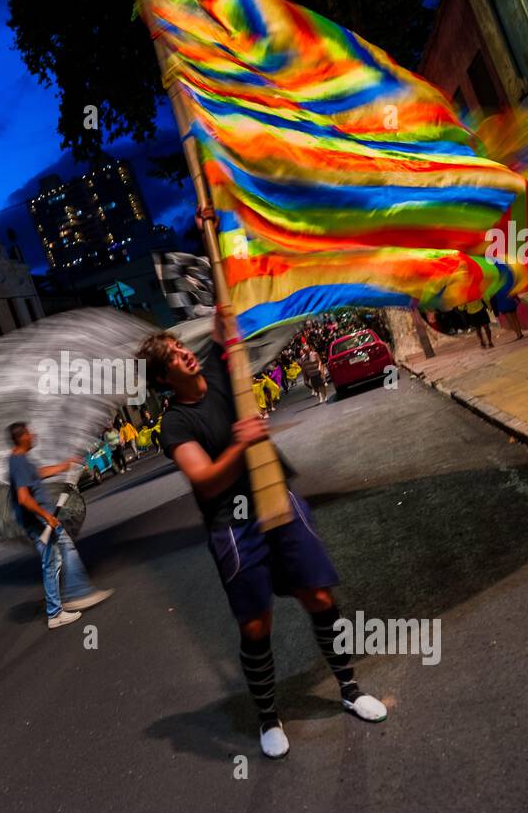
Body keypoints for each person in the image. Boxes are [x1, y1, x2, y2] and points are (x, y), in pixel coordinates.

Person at [137, 308, 386, 760]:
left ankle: (350, 689)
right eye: (172, 357)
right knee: (255, 625)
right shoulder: (174, 424)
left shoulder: (215, 369)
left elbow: (222, 319)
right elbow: (207, 479)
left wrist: (211, 237)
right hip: (232, 525)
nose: (183, 355)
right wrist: (242, 441)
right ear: (163, 380)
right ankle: (269, 717)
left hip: (276, 496)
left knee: (321, 599)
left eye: (179, 347)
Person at [7, 421, 113, 629]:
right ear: (22, 437)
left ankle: (72, 596)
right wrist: (46, 516)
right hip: (40, 523)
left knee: (57, 557)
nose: (33, 435)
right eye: (30, 433)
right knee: (53, 561)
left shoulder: (18, 460)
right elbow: (23, 498)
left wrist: (63, 466)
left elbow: (37, 474)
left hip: (40, 521)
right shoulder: (18, 462)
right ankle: (60, 607)